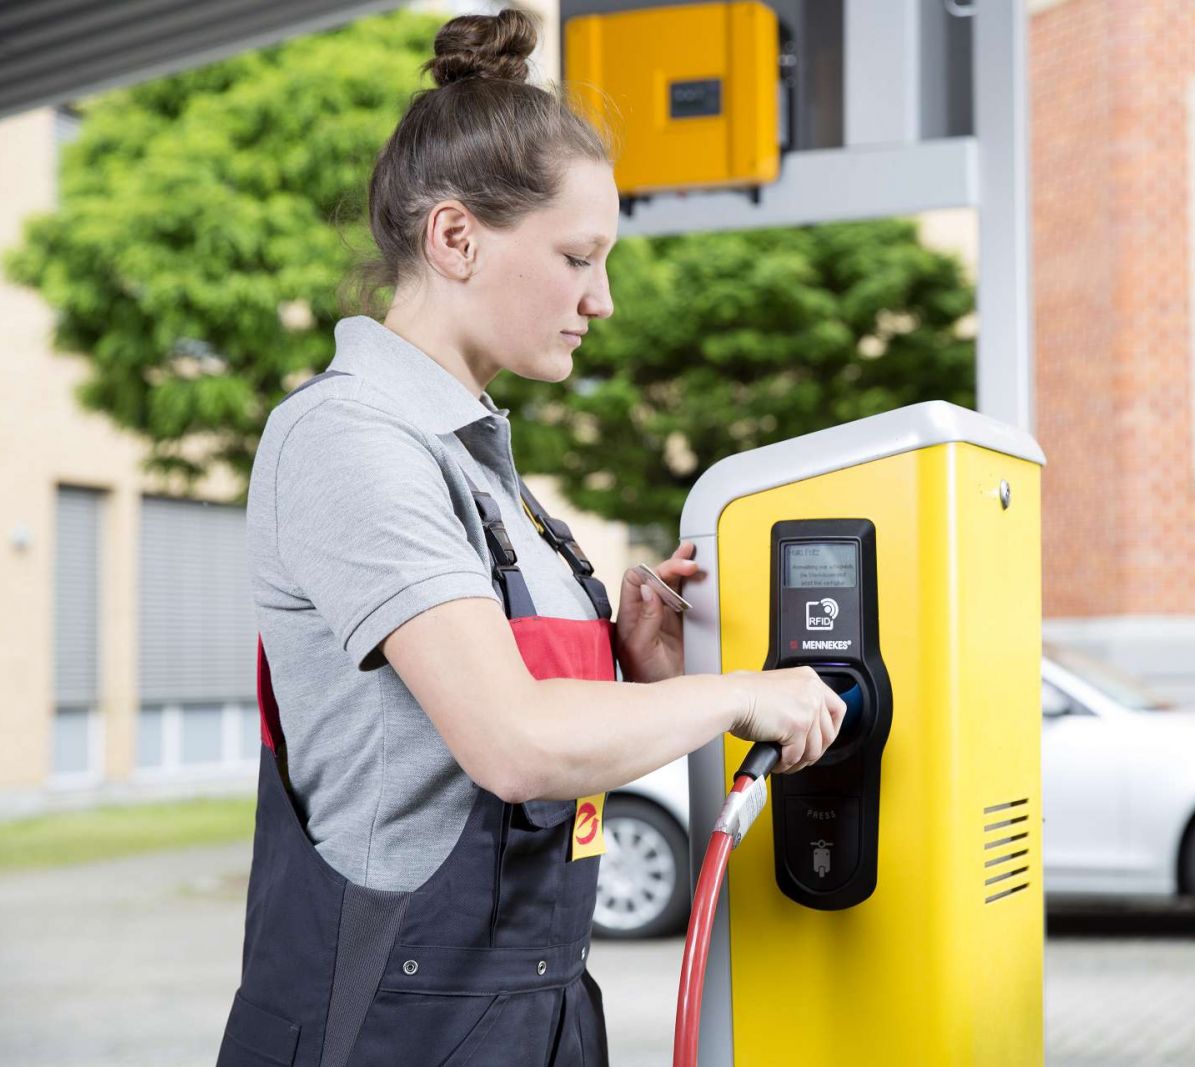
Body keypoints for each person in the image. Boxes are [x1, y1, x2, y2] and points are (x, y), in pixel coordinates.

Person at [216, 11, 845, 1066]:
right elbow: (512, 742)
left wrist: (643, 675)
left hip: (535, 1007)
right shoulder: (347, 439)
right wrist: (742, 693)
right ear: (455, 238)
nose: (600, 299)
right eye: (576, 257)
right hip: (386, 1021)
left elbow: (541, 739)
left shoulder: (488, 475)